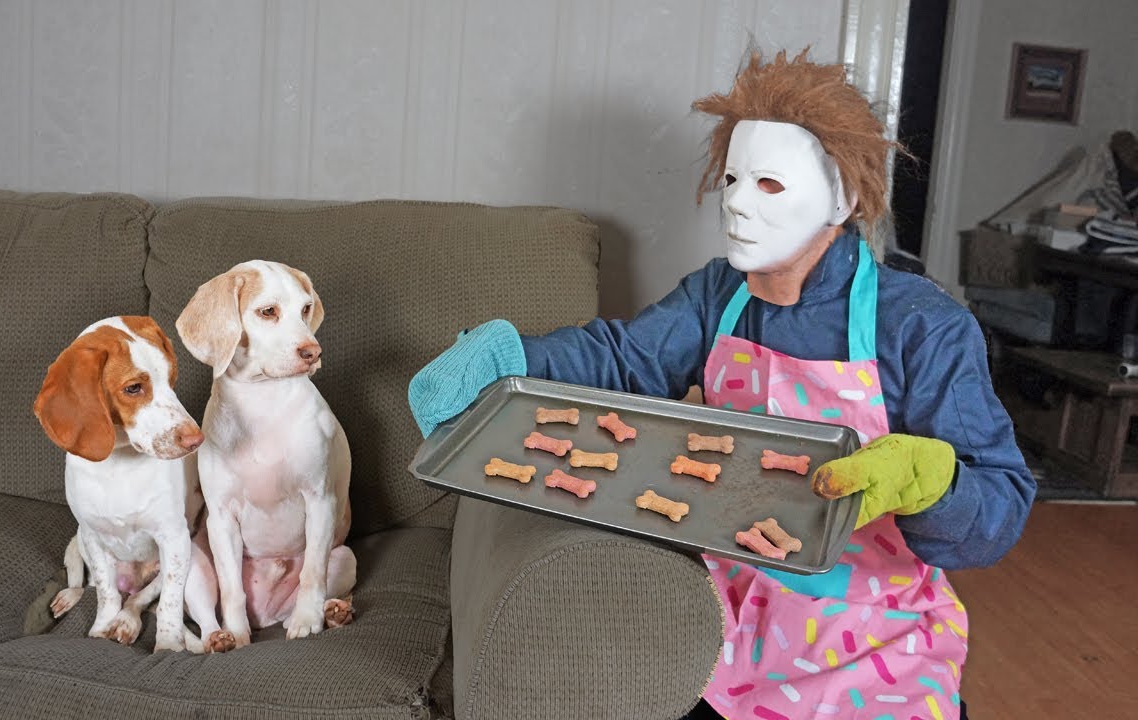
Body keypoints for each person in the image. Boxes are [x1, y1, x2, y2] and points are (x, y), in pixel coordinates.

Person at [408, 49, 1034, 720]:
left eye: (769, 184)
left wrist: (932, 481)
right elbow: (624, 358)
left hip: (877, 645)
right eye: (732, 177)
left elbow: (998, 510)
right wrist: (504, 355)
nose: (734, 201)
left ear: (845, 197)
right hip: (733, 627)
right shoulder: (717, 295)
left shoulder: (923, 325)